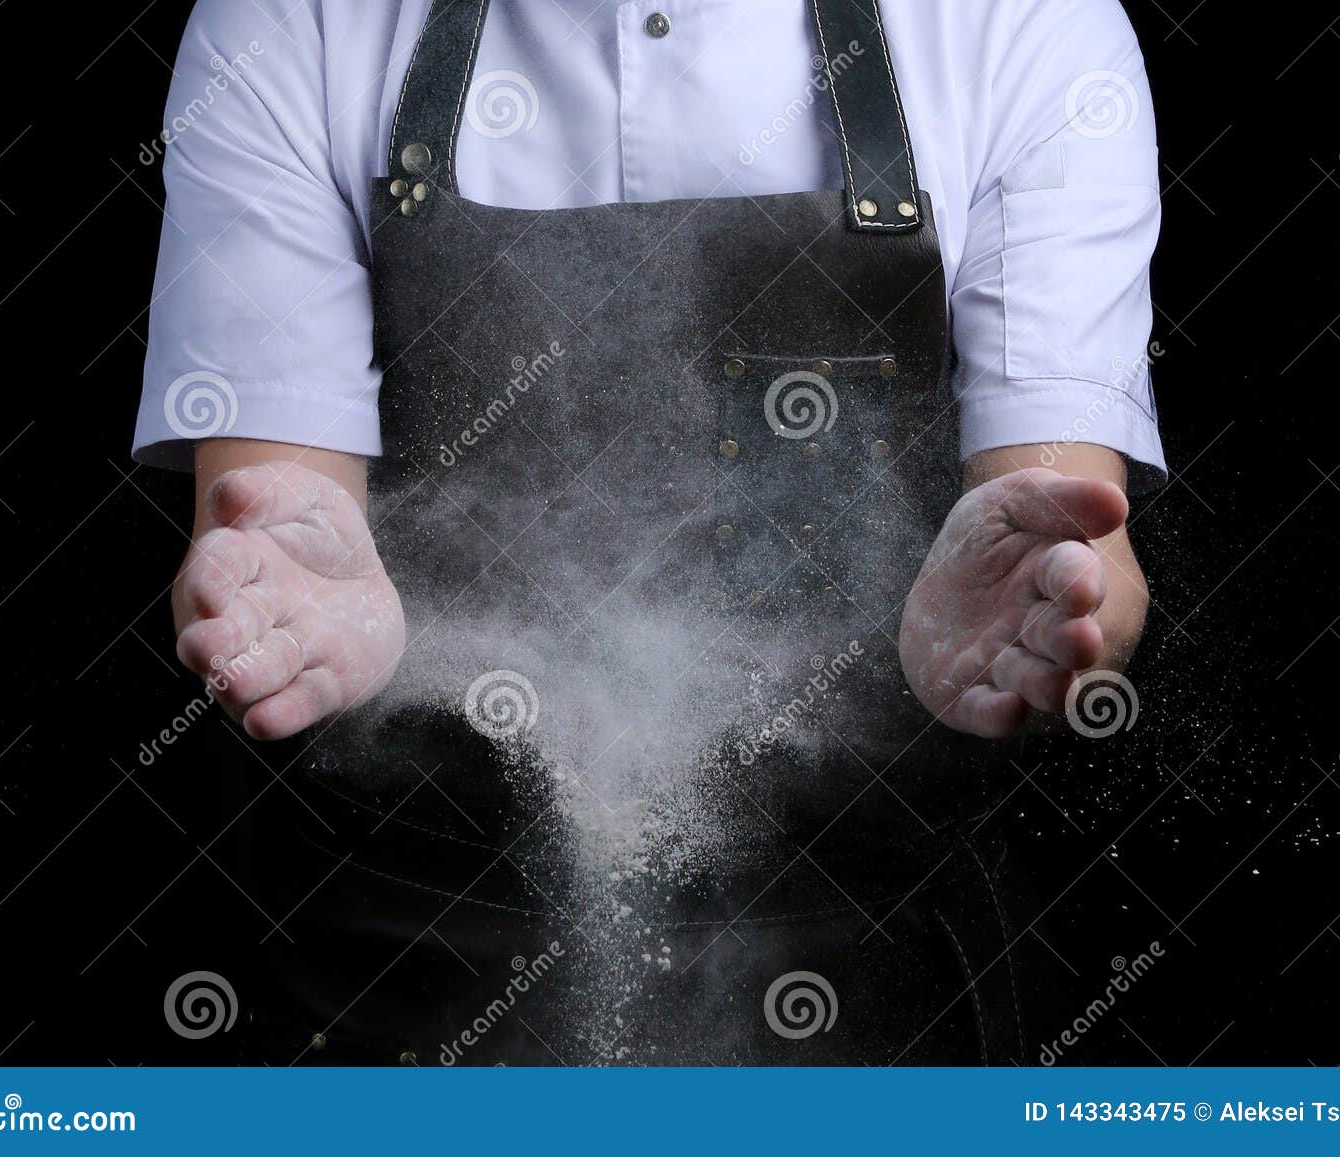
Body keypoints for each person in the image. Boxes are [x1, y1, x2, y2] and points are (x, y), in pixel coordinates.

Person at [137, 0, 1164, 1065]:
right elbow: (269, 497)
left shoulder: (1025, 22)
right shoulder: (292, 19)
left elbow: (1068, 513)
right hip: (389, 968)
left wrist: (1050, 591)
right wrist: (272, 589)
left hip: (883, 969)